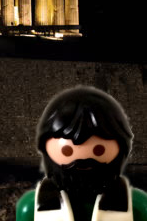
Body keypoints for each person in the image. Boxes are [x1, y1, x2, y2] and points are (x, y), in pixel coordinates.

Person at [16, 86, 147, 220]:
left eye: (99, 150)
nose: (83, 162)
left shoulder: (138, 205)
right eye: (67, 151)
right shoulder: (31, 207)